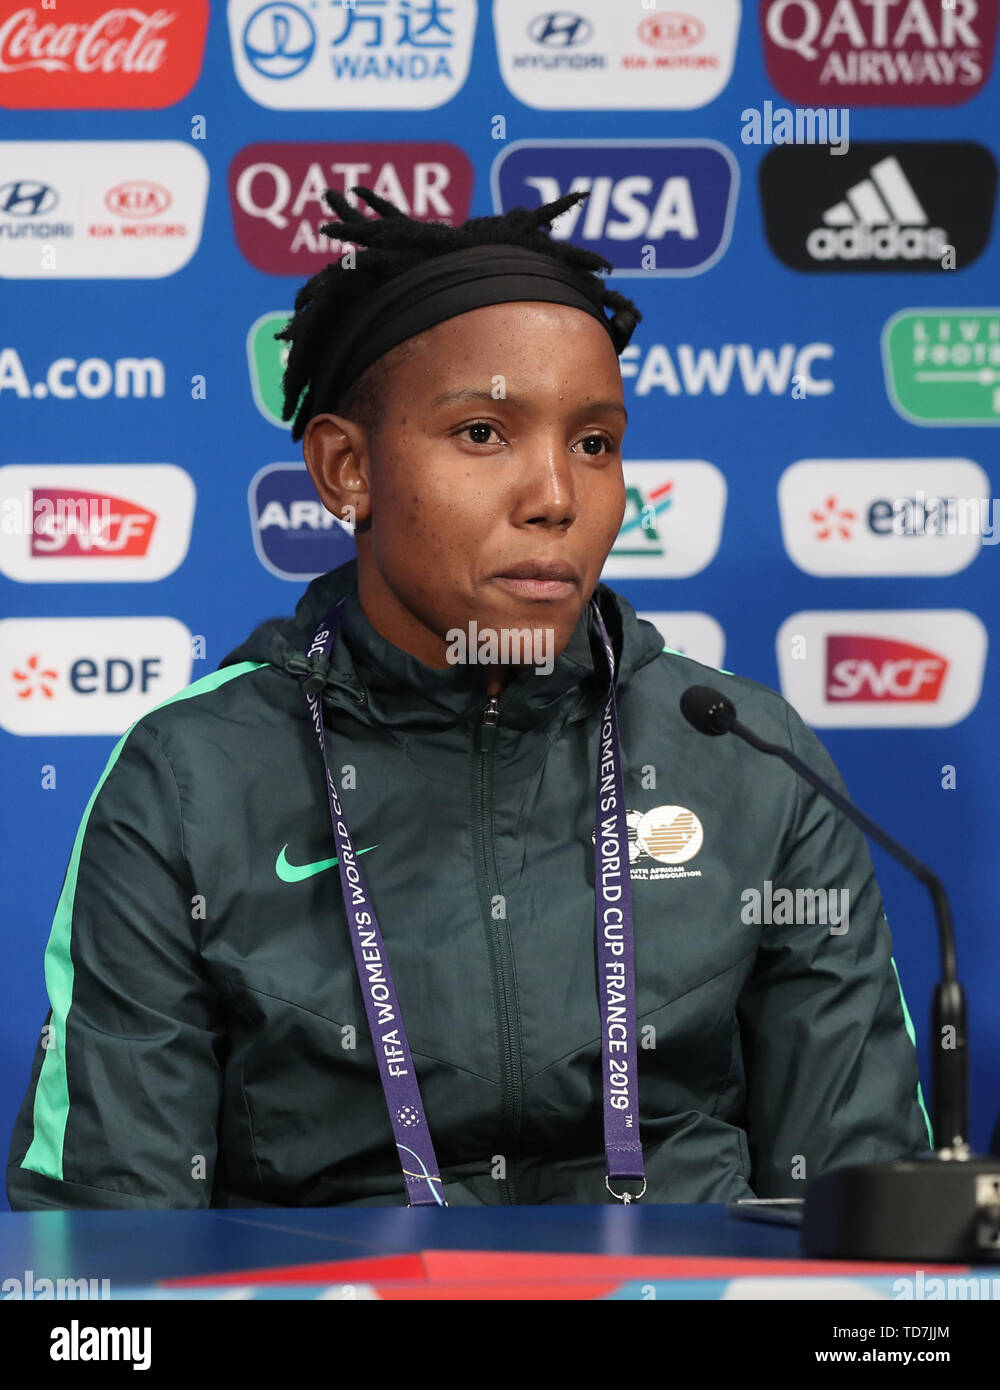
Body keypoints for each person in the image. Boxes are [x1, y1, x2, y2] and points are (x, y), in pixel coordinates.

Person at [7, 188, 932, 1210]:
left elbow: (865, 1221)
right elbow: (109, 1241)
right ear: (344, 467)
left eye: (595, 442)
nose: (555, 496)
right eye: (485, 431)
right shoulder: (190, 777)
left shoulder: (749, 757)